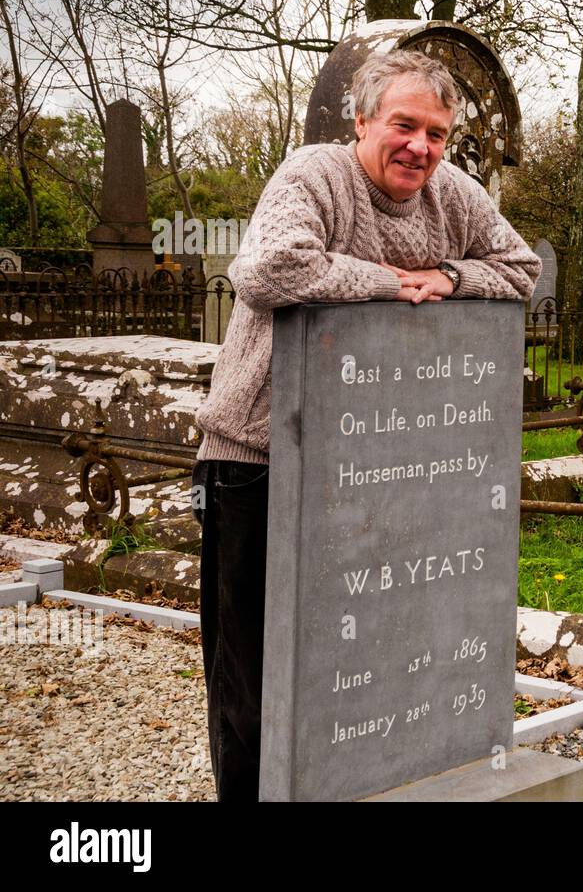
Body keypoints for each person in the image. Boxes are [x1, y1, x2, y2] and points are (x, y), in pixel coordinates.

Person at [192, 49, 539, 801]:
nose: (421, 146)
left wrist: (447, 276)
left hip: (380, 459)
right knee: (254, 670)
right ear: (362, 121)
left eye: (438, 133)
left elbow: (518, 268)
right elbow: (270, 268)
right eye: (404, 125)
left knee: (358, 655)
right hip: (258, 456)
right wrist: (388, 284)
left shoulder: (453, 194)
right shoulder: (315, 175)